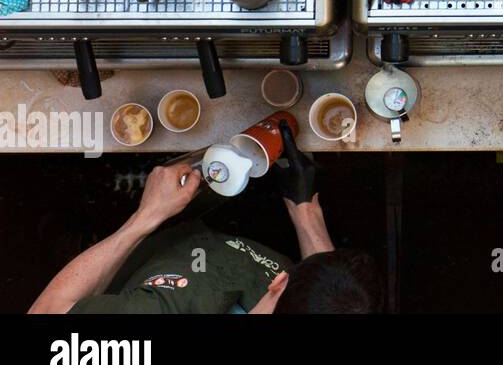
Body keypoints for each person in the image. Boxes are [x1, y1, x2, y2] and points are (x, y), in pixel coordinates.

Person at [29, 124, 380, 314]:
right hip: (239, 243)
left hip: (162, 257)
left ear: (279, 283)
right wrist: (305, 211)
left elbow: (47, 310)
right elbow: (332, 301)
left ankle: (80, 239)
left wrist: (145, 217)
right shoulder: (327, 305)